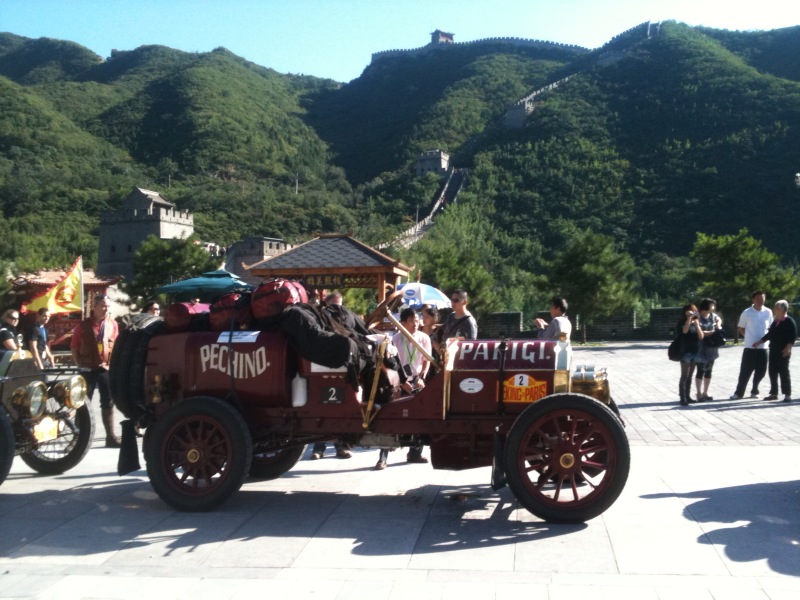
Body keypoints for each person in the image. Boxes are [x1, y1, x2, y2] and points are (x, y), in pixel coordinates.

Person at [375, 308, 431, 470]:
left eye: (417, 320)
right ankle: (383, 458)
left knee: (420, 417)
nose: (416, 323)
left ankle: (415, 453)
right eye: (412, 320)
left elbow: (426, 361)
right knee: (389, 417)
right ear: (404, 323)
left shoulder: (424, 338)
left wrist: (421, 377)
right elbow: (388, 365)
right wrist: (400, 382)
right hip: (398, 381)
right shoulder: (395, 340)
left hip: (416, 381)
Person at [71, 294, 121, 447]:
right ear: (95, 307)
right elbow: (74, 346)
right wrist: (78, 363)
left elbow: (116, 344)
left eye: (108, 306)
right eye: (103, 305)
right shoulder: (83, 326)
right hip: (87, 368)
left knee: (108, 402)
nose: (106, 309)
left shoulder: (112, 324)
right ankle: (77, 439)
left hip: (105, 367)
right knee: (82, 403)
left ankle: (110, 437)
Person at [730, 291, 773, 400]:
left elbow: (770, 328)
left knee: (761, 371)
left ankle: (755, 389)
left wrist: (766, 340)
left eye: (762, 298)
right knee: (745, 372)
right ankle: (739, 393)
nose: (760, 300)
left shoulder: (768, 312)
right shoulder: (746, 313)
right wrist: (748, 337)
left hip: (764, 347)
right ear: (753, 300)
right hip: (750, 347)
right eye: (758, 298)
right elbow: (741, 328)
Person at [753, 300, 796, 403]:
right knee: (772, 372)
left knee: (783, 372)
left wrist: (788, 347)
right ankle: (774, 393)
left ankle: (787, 395)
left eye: (777, 308)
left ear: (783, 309)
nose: (774, 310)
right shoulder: (776, 322)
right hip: (773, 350)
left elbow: (793, 336)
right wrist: (759, 342)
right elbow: (770, 334)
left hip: (783, 351)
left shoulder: (789, 321)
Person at [694, 298, 722, 402]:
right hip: (701, 347)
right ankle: (699, 393)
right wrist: (709, 332)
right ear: (706, 306)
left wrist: (718, 323)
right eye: (712, 305)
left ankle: (706, 392)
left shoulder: (713, 316)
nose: (714, 307)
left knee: (709, 371)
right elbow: (698, 332)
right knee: (700, 370)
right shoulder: (698, 317)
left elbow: (719, 319)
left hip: (712, 347)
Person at [677, 303, 704, 405]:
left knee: (690, 376)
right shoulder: (682, 322)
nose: (693, 312)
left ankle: (688, 396)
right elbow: (684, 331)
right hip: (685, 352)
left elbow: (701, 336)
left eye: (694, 310)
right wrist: (689, 319)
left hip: (695, 351)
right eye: (690, 311)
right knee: (684, 375)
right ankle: (682, 397)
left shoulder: (696, 322)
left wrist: (697, 324)